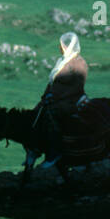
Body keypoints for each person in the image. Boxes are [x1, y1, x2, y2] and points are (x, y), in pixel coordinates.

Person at [37, 32, 89, 165]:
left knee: (53, 114)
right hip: (55, 98)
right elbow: (52, 82)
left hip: (72, 99)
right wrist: (45, 96)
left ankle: (55, 153)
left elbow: (77, 86)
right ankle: (35, 148)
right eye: (61, 46)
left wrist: (58, 97)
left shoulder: (79, 63)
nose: (61, 48)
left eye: (64, 46)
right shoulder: (61, 61)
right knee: (36, 113)